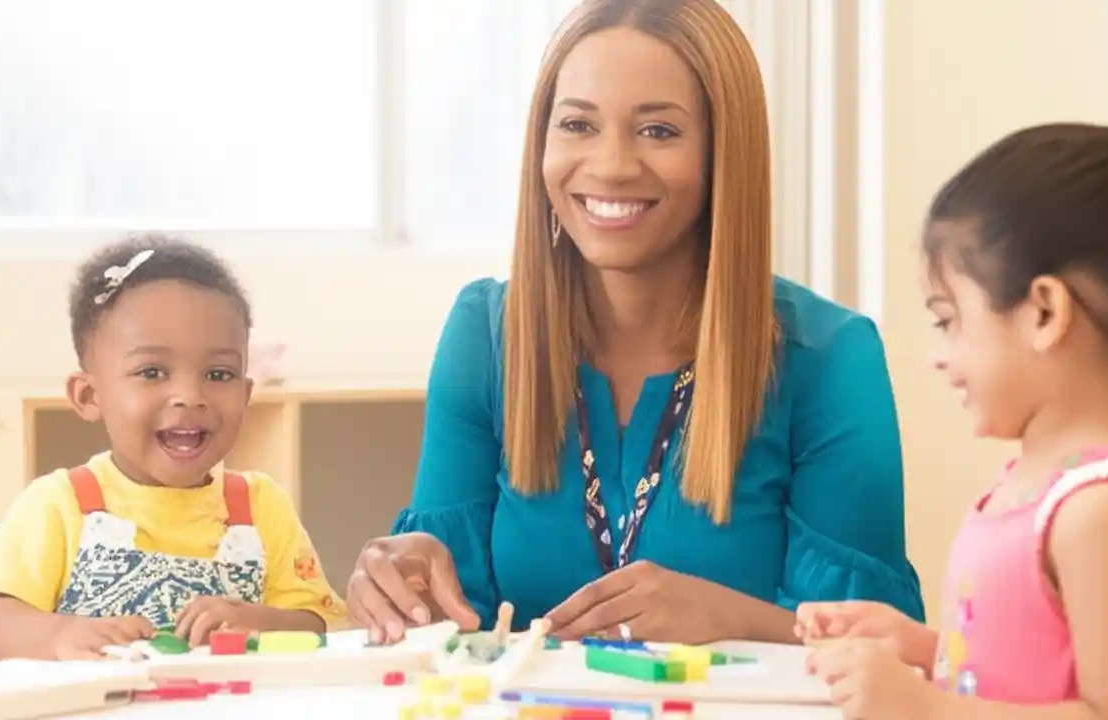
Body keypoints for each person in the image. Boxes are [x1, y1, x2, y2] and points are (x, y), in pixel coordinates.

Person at [346, 0, 922, 648]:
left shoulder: (830, 360)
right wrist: (407, 584)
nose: (612, 164)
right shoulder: (483, 336)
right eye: (577, 125)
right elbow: (457, 624)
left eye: (658, 131)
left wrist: (734, 620)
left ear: (722, 152)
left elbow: (879, 653)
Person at [799, 102, 1108, 718]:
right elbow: (1028, 678)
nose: (938, 357)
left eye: (949, 321)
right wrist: (921, 649)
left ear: (1045, 312)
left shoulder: (1101, 509)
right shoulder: (1035, 486)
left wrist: (927, 709)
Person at [0, 234, 347, 661]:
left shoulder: (261, 508)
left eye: (218, 374)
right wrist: (60, 636)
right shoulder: (58, 505)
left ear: (246, 393)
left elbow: (320, 623)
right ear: (89, 396)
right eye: (152, 371)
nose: (189, 395)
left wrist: (256, 620)